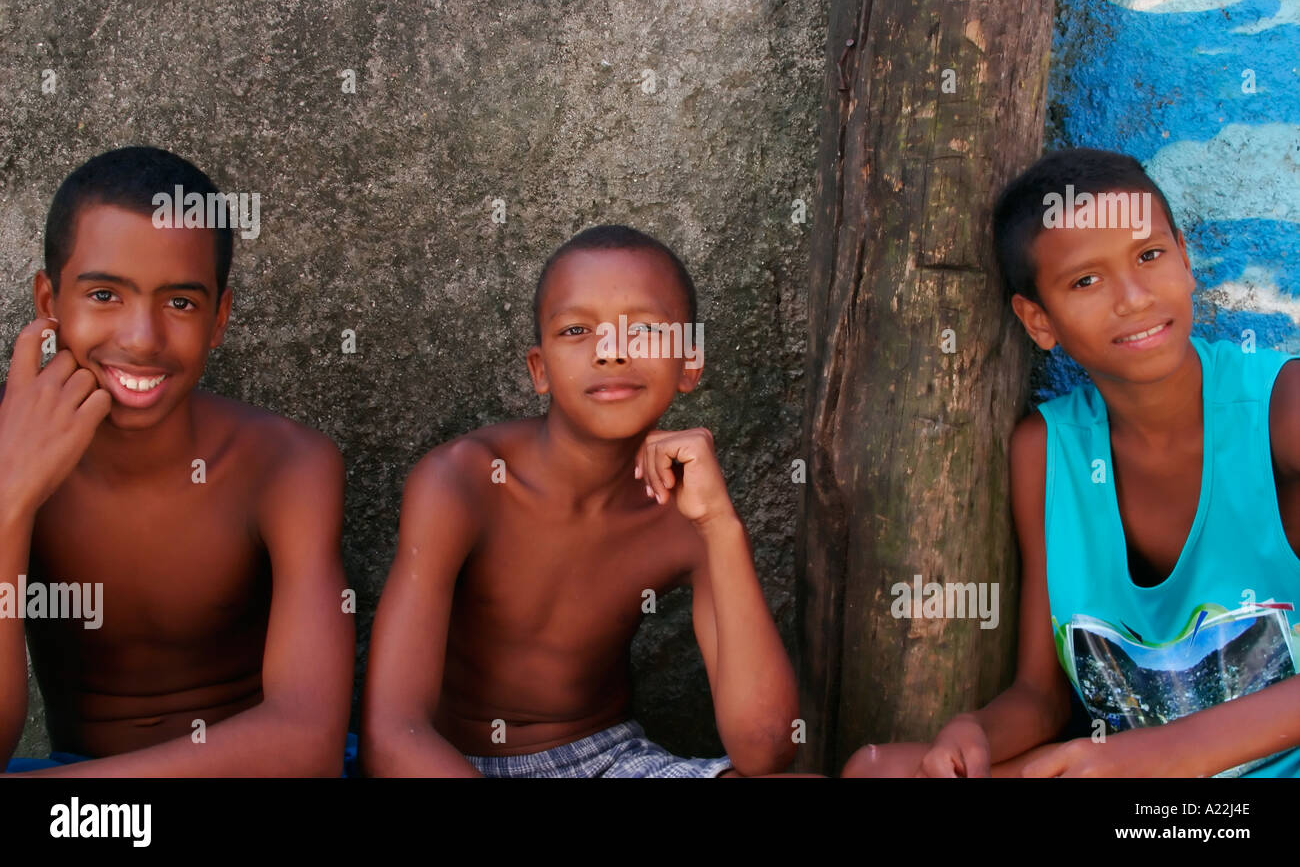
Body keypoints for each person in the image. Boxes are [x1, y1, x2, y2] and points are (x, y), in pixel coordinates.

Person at [844, 148, 1300, 777]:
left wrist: (1156, 756)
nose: (1135, 298)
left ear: (1185, 259)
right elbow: (1041, 693)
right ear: (1038, 320)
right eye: (1086, 281)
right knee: (878, 772)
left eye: (1149, 256)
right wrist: (976, 731)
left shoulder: (1283, 412)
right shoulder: (1047, 453)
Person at [361, 224, 799, 777]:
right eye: (576, 330)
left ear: (690, 362)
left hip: (608, 760)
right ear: (539, 370)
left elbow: (767, 752)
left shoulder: (687, 510)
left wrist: (719, 526)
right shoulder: (462, 483)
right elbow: (392, 737)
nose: (612, 352)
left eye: (643, 330)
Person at [0, 146, 354, 776]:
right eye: (105, 294)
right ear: (49, 302)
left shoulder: (286, 465)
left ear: (219, 318)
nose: (141, 338)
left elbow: (307, 740)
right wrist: (9, 498)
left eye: (181, 303)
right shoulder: (5, 445)